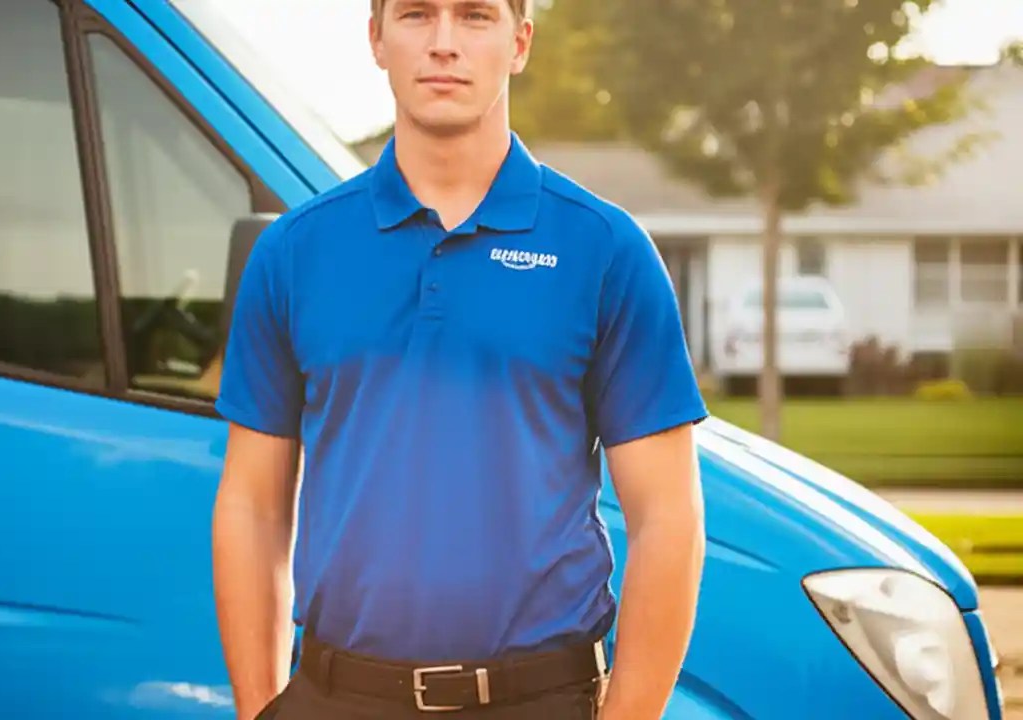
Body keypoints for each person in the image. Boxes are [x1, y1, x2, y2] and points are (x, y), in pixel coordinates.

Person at [211, 0, 709, 717]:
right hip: (337, 698)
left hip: (539, 699)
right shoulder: (293, 253)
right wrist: (263, 710)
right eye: (417, 15)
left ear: (520, 42)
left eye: (474, 16)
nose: (444, 44)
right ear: (377, 38)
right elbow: (253, 506)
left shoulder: (605, 251)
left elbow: (668, 515)